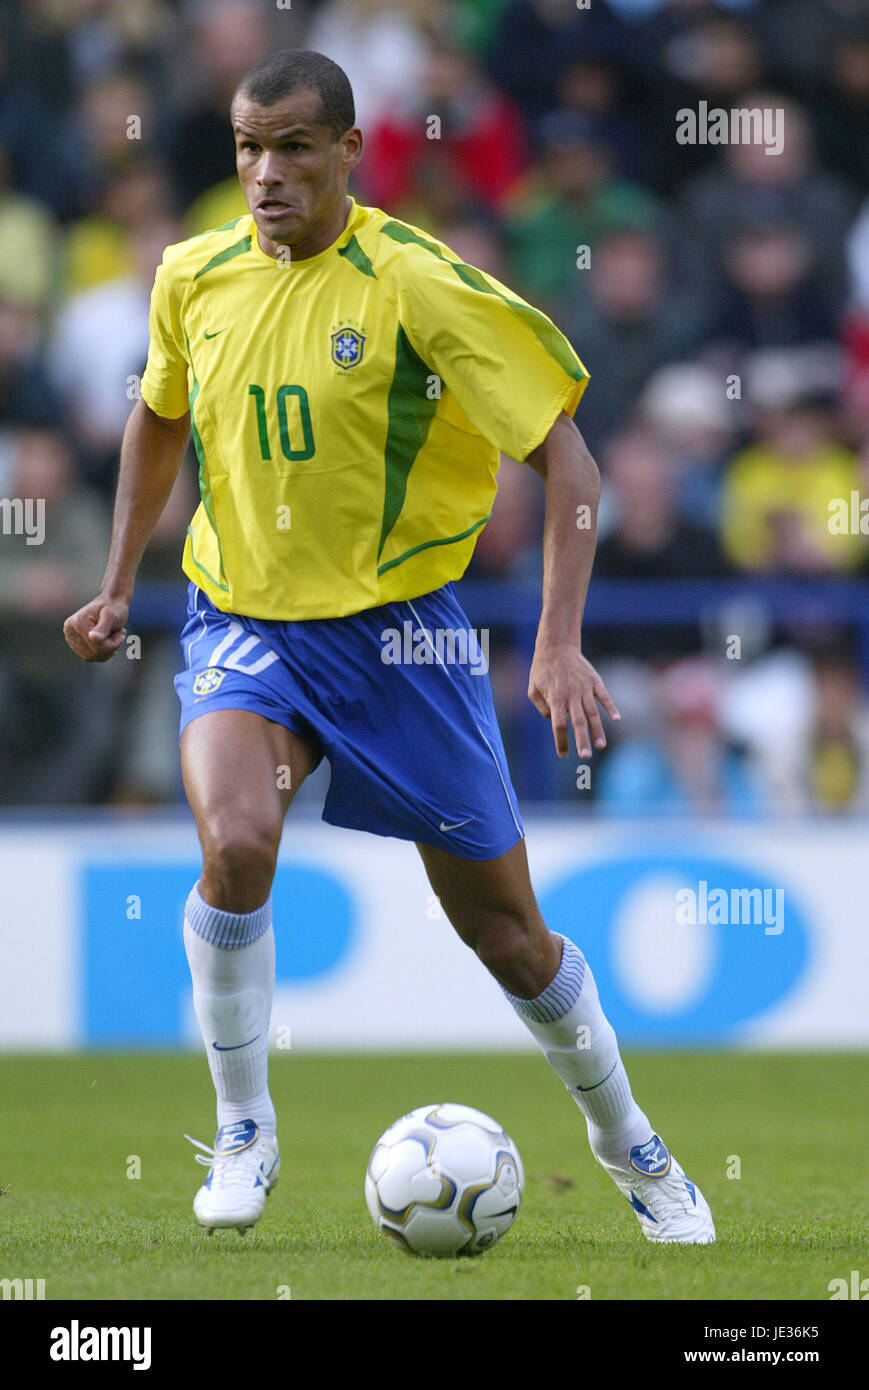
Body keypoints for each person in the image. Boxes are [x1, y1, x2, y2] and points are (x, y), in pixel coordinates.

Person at [63, 49, 714, 1245]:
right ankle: (246, 1124)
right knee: (239, 842)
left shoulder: (416, 281)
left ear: (348, 153)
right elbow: (156, 416)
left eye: (295, 148)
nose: (266, 174)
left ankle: (630, 1142)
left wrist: (558, 642)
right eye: (249, 148)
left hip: (401, 640)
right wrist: (115, 587)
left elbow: (569, 462)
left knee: (508, 937)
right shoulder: (189, 274)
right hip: (244, 620)